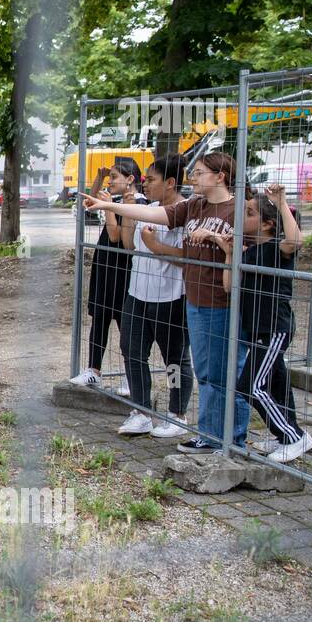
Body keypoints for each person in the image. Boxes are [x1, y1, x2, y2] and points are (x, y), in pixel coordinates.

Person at [82, 151, 251, 454]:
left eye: (198, 173)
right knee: (152, 357)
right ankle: (165, 419)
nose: (193, 178)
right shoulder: (193, 206)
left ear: (220, 176)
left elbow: (261, 239)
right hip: (183, 297)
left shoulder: (237, 210)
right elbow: (144, 225)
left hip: (201, 299)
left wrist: (164, 246)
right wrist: (109, 204)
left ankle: (206, 428)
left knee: (204, 368)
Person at [201, 185, 312, 462]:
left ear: (267, 224)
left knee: (250, 386)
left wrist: (282, 202)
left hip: (274, 328)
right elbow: (230, 287)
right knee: (276, 385)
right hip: (257, 329)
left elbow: (295, 241)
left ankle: (294, 436)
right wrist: (228, 253)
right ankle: (285, 435)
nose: (242, 217)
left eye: (249, 213)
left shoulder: (277, 248)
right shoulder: (249, 251)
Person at [115, 154, 194, 438]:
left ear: (170, 183)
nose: (145, 184)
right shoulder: (148, 209)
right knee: (132, 350)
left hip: (170, 297)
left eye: (151, 179)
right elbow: (129, 245)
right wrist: (128, 212)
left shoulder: (186, 213)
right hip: (138, 293)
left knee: (174, 358)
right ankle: (141, 411)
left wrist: (157, 246)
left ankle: (177, 414)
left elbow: (191, 258)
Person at [70, 157, 147, 395]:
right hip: (105, 266)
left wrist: (110, 209)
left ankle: (129, 375)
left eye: (114, 177)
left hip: (124, 269)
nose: (110, 182)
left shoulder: (137, 203)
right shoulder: (113, 199)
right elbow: (88, 203)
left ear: (130, 179)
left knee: (126, 324)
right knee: (100, 318)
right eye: (110, 177)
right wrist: (99, 179)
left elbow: (116, 238)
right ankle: (94, 370)